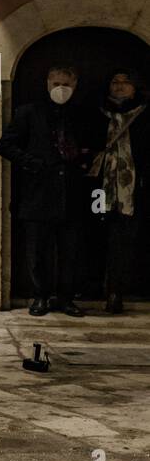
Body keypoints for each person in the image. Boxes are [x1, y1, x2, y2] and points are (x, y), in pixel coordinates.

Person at [0, 64, 97, 316]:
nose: (61, 89)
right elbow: (5, 145)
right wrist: (32, 163)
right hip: (38, 193)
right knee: (38, 250)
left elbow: (94, 144)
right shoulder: (29, 113)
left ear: (75, 87)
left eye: (67, 84)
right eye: (56, 84)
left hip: (72, 194)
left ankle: (65, 298)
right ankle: (39, 296)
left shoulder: (82, 115)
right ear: (47, 84)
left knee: (70, 252)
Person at [90, 69, 150, 314]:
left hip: (134, 188)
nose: (120, 86)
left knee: (127, 237)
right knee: (97, 233)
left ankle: (119, 290)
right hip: (100, 186)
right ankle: (94, 285)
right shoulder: (96, 113)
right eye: (115, 82)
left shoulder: (145, 114)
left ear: (135, 87)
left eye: (126, 82)